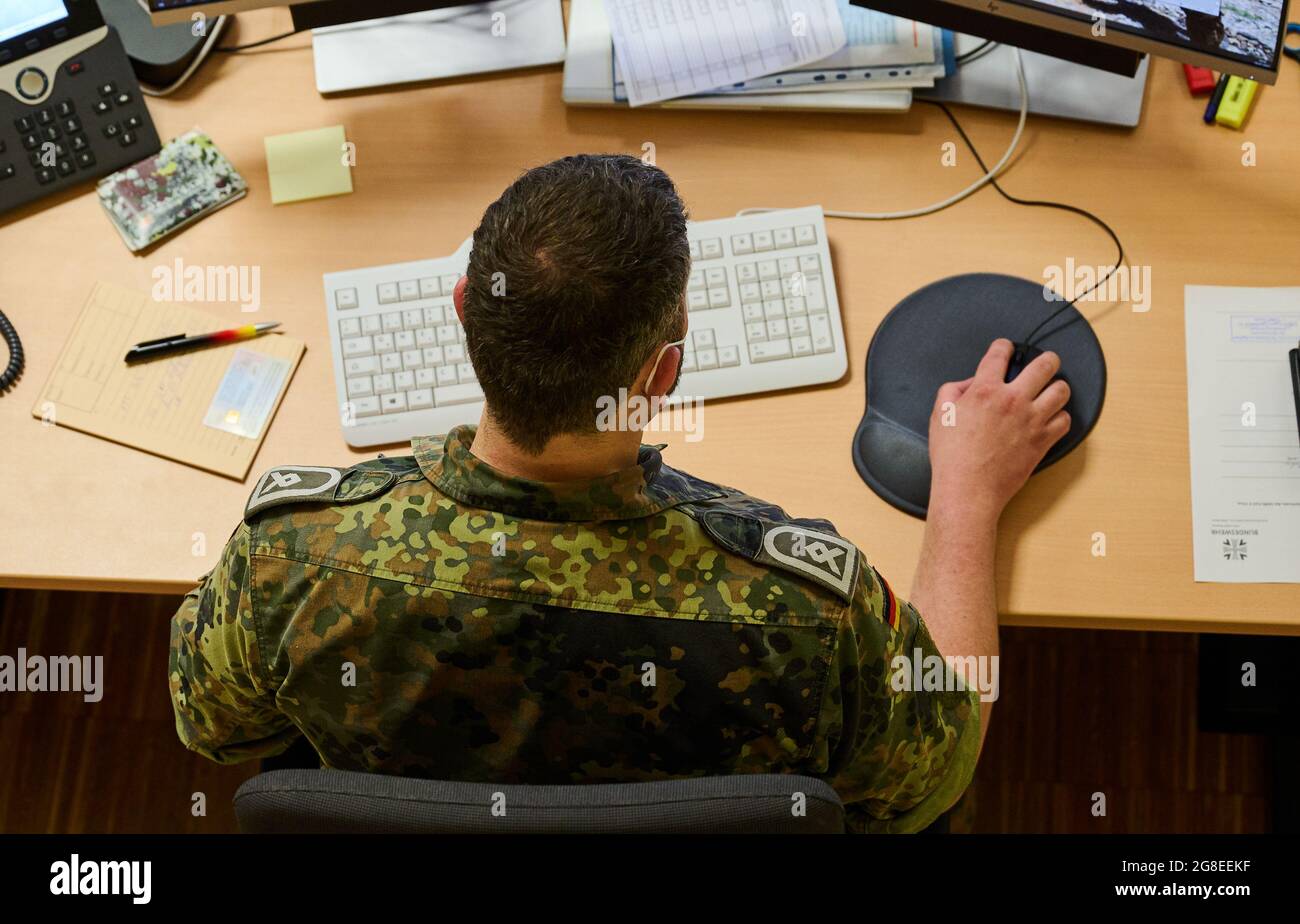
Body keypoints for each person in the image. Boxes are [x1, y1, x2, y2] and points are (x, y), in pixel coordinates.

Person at [169, 154, 1071, 833]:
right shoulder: (803, 613)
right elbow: (940, 770)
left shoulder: (288, 558)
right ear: (663, 370)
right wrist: (965, 496)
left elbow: (212, 728)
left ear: (458, 310)